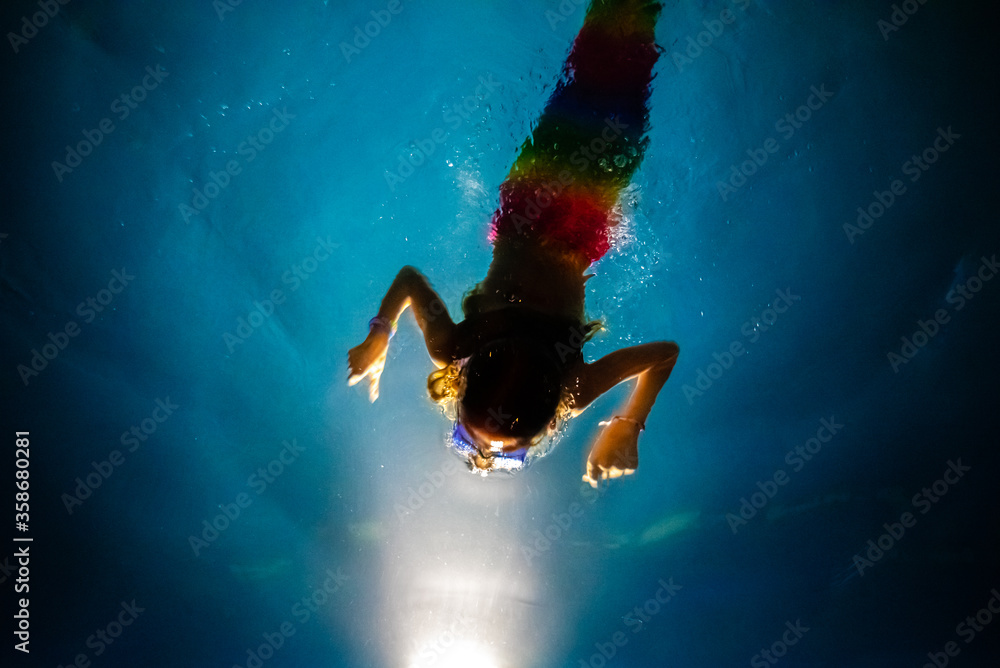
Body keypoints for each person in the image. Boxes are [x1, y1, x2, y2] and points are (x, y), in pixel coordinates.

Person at [348, 0, 678, 486]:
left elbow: (665, 354)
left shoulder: (574, 385)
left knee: (622, 75)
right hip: (529, 201)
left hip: (585, 219)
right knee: (590, 69)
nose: (482, 451)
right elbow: (409, 280)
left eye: (469, 440)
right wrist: (380, 333)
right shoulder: (455, 345)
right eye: (503, 454)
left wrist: (628, 425)